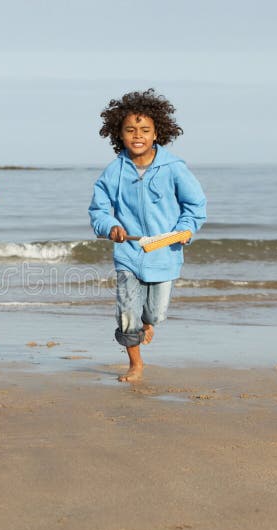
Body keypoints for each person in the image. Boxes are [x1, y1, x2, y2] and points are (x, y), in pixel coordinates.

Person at [88, 88, 207, 382]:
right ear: (119, 134)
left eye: (144, 129)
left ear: (157, 133)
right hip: (129, 254)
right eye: (130, 130)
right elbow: (98, 209)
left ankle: (148, 322)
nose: (137, 135)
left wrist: (186, 229)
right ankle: (135, 363)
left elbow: (196, 205)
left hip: (164, 253)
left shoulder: (174, 168)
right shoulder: (114, 172)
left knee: (154, 314)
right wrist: (109, 227)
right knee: (127, 313)